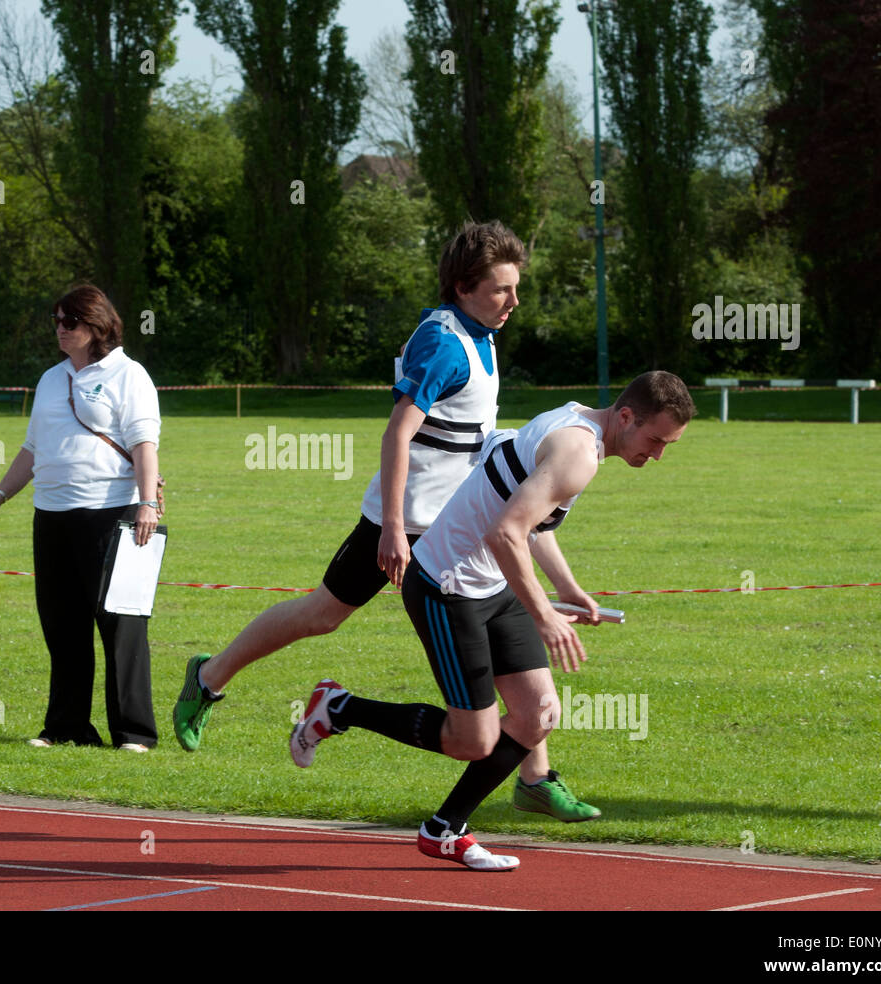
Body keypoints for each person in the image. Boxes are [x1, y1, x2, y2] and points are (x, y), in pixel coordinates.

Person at [175, 220, 599, 822]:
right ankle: (209, 677)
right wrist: (395, 526)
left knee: (509, 638)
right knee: (323, 614)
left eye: (515, 287)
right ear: (462, 287)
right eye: (501, 289)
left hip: (461, 522)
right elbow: (399, 431)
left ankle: (534, 774)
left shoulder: (481, 332)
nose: (513, 301)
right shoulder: (446, 343)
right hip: (411, 518)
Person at [288, 372, 695, 870]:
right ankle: (339, 707)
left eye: (669, 446)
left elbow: (528, 520)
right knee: (473, 740)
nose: (656, 456)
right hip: (447, 587)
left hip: (494, 586)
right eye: (655, 440)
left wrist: (566, 589)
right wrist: (545, 615)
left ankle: (444, 828)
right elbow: (507, 534)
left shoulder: (571, 419)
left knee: (538, 713)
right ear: (626, 416)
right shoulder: (580, 456)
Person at [0, 284, 162, 752]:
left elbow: (143, 444)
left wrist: (147, 502)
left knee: (120, 623)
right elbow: (33, 448)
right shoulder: (51, 379)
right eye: (55, 320)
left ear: (96, 326)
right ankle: (66, 726)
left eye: (69, 322)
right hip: (52, 515)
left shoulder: (128, 375)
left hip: (111, 513)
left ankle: (134, 732)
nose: (60, 329)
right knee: (62, 624)